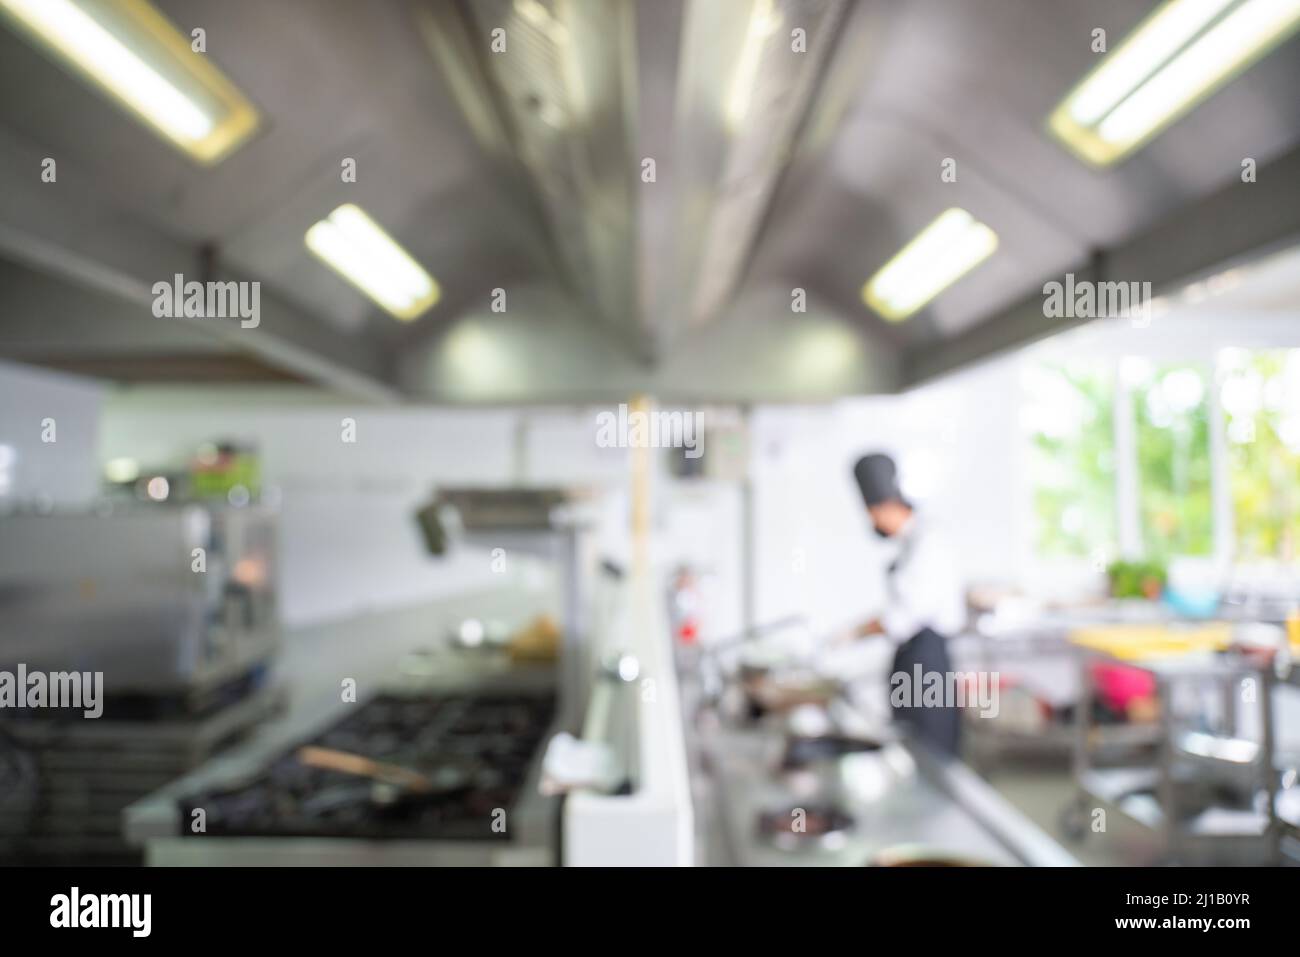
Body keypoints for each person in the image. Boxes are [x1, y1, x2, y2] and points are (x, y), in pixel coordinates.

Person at [848, 452, 965, 756]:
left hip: (927, 663)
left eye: (872, 512)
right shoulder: (911, 543)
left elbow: (903, 617)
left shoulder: (929, 542)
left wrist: (850, 635)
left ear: (885, 507)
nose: (872, 521)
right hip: (912, 659)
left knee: (930, 749)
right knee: (910, 745)